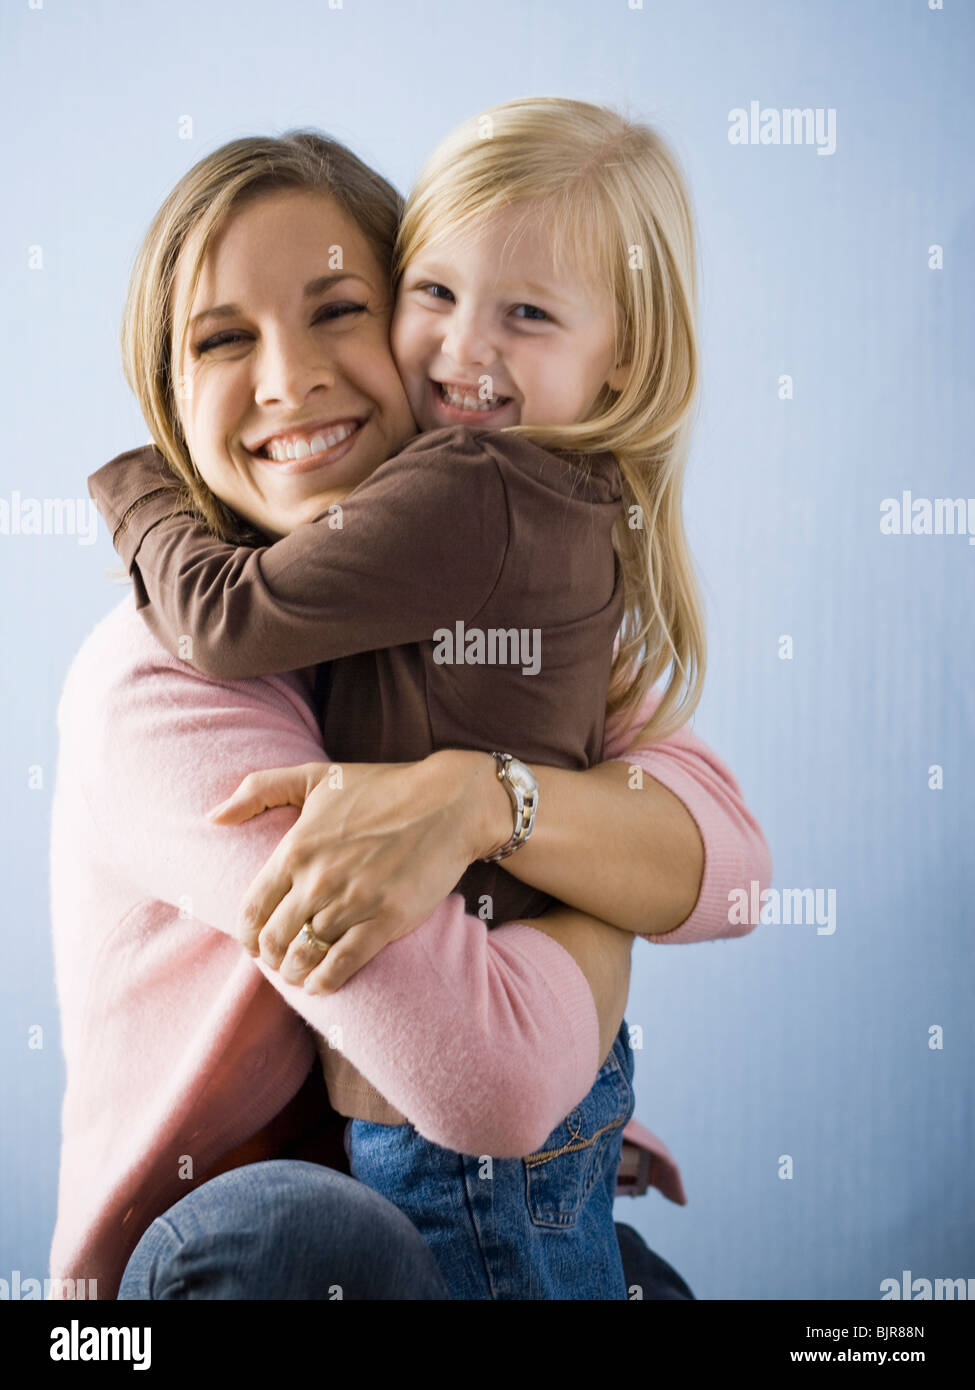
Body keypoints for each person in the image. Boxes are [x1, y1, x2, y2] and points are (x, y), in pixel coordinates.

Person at [49, 124, 772, 1301]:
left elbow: (734, 866)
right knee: (308, 1235)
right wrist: (607, 903)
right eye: (224, 340)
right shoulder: (158, 686)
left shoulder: (482, 584)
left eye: (339, 309)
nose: (292, 376)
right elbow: (493, 1077)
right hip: (240, 1250)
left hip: (477, 1201)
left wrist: (486, 800)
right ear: (167, 400)